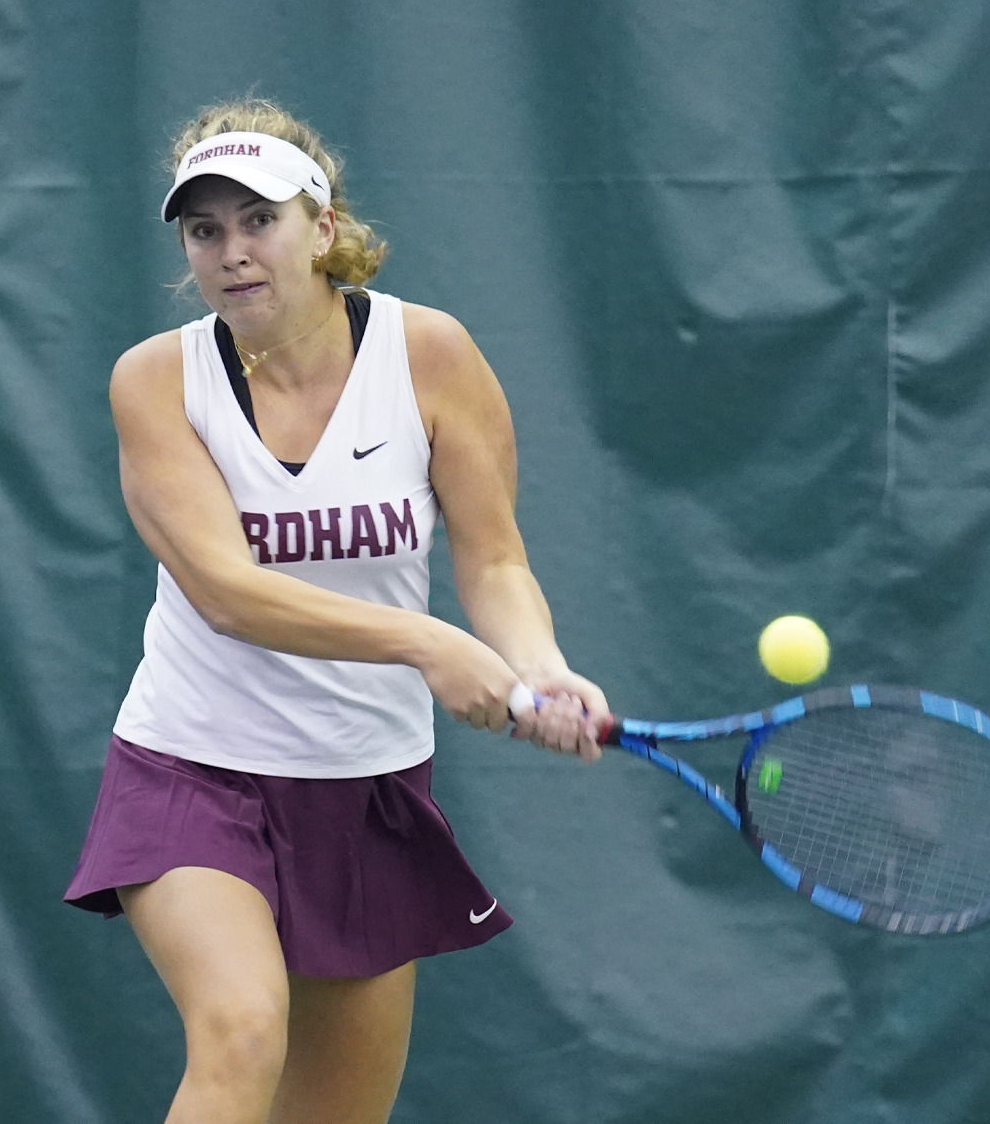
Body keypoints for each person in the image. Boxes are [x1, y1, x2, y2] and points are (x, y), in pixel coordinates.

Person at [64, 97, 609, 1124]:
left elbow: (495, 557)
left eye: (258, 220)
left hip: (366, 785)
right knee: (240, 1029)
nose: (232, 251)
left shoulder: (430, 354)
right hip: (195, 767)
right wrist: (426, 643)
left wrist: (538, 666)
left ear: (322, 228)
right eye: (204, 230)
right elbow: (227, 593)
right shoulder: (155, 380)